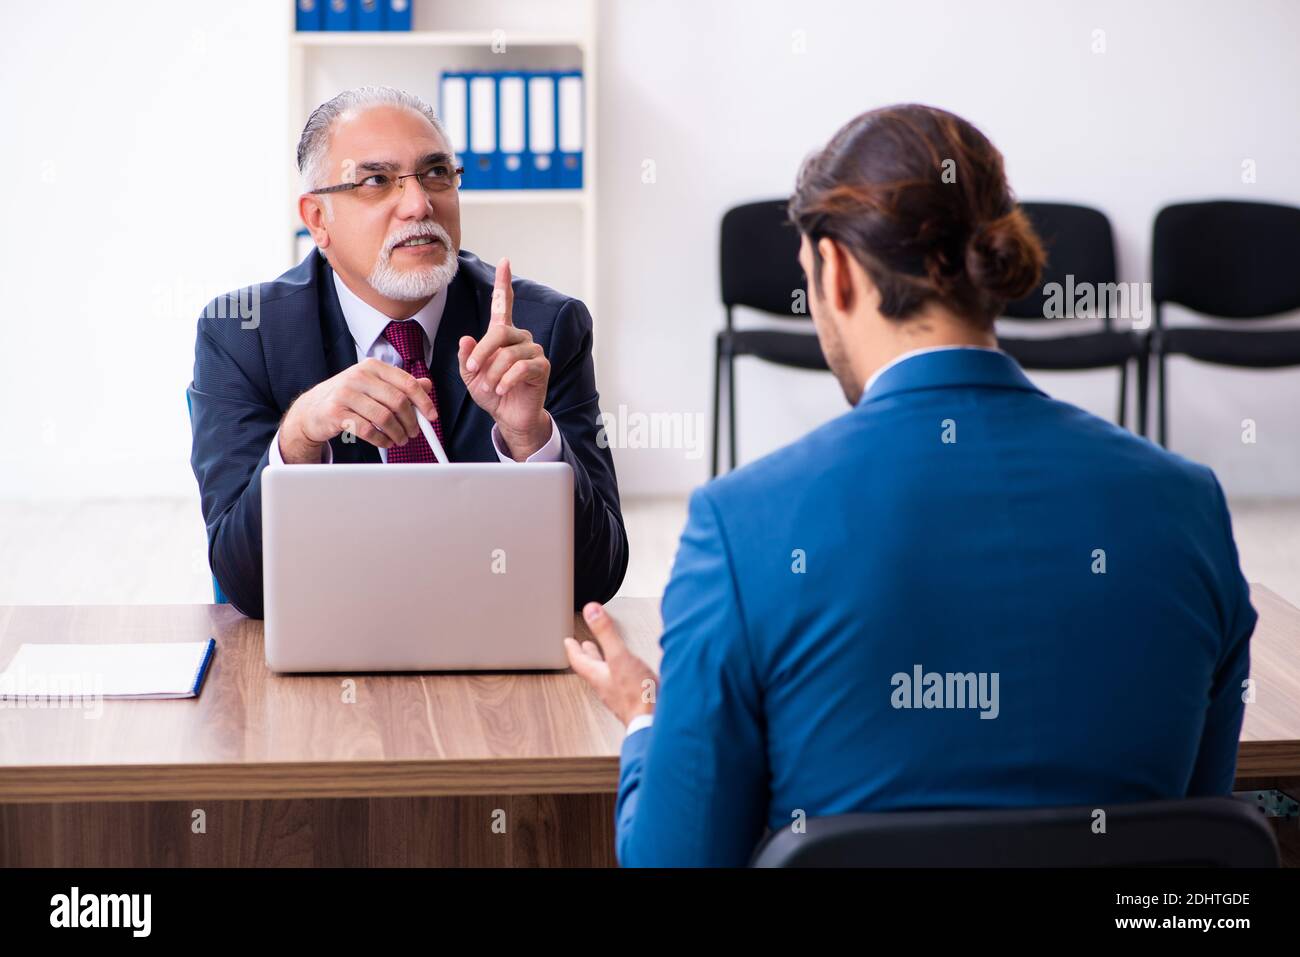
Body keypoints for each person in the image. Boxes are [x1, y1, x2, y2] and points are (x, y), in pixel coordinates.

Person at [567, 104, 1257, 867]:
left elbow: (675, 860)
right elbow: (1197, 846)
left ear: (833, 270)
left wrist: (646, 719)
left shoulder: (741, 526)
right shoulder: (1189, 506)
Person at [188, 87, 627, 618]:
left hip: (490, 643)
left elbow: (597, 578)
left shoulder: (541, 330)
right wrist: (299, 436)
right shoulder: (242, 335)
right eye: (376, 181)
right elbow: (246, 586)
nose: (420, 204)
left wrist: (529, 438)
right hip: (331, 642)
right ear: (318, 219)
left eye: (437, 173)